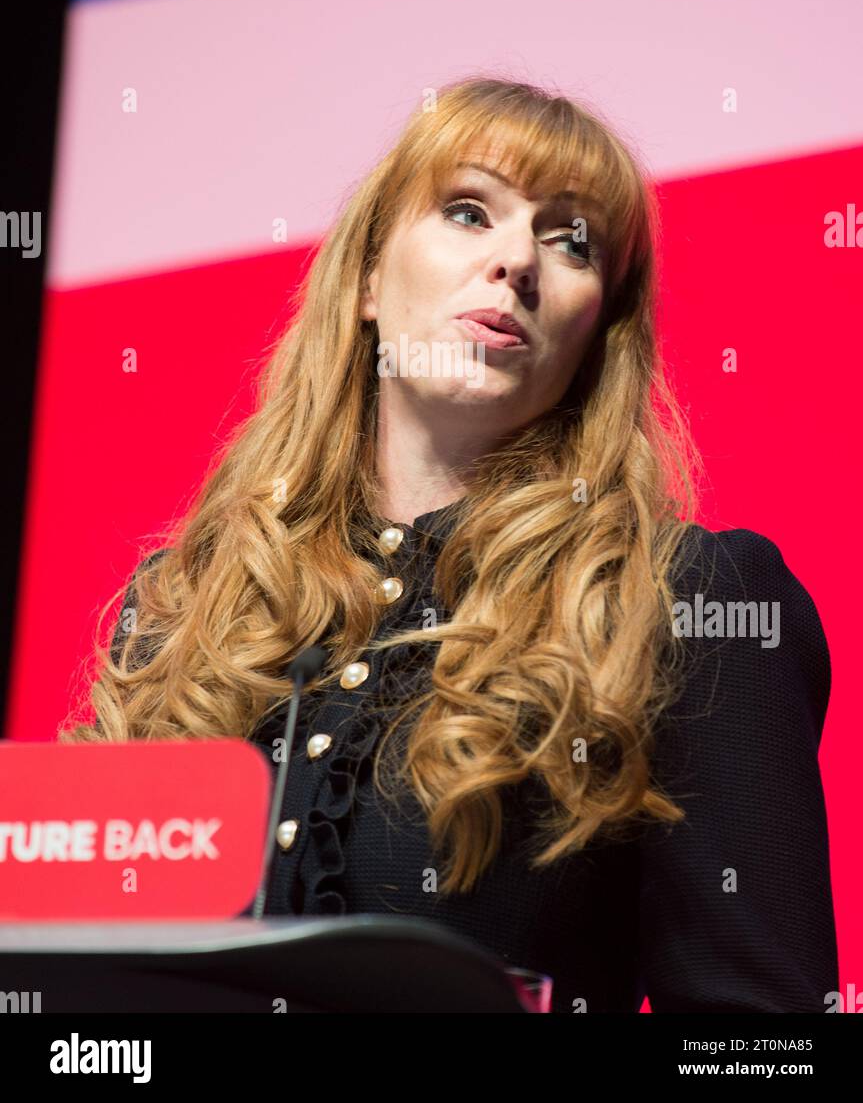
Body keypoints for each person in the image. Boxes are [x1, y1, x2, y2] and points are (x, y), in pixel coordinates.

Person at [62, 76, 838, 1013]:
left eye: (570, 240)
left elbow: (760, 1048)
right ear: (363, 283)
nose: (517, 261)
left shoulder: (684, 600)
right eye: (469, 211)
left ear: (597, 332)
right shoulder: (183, 607)